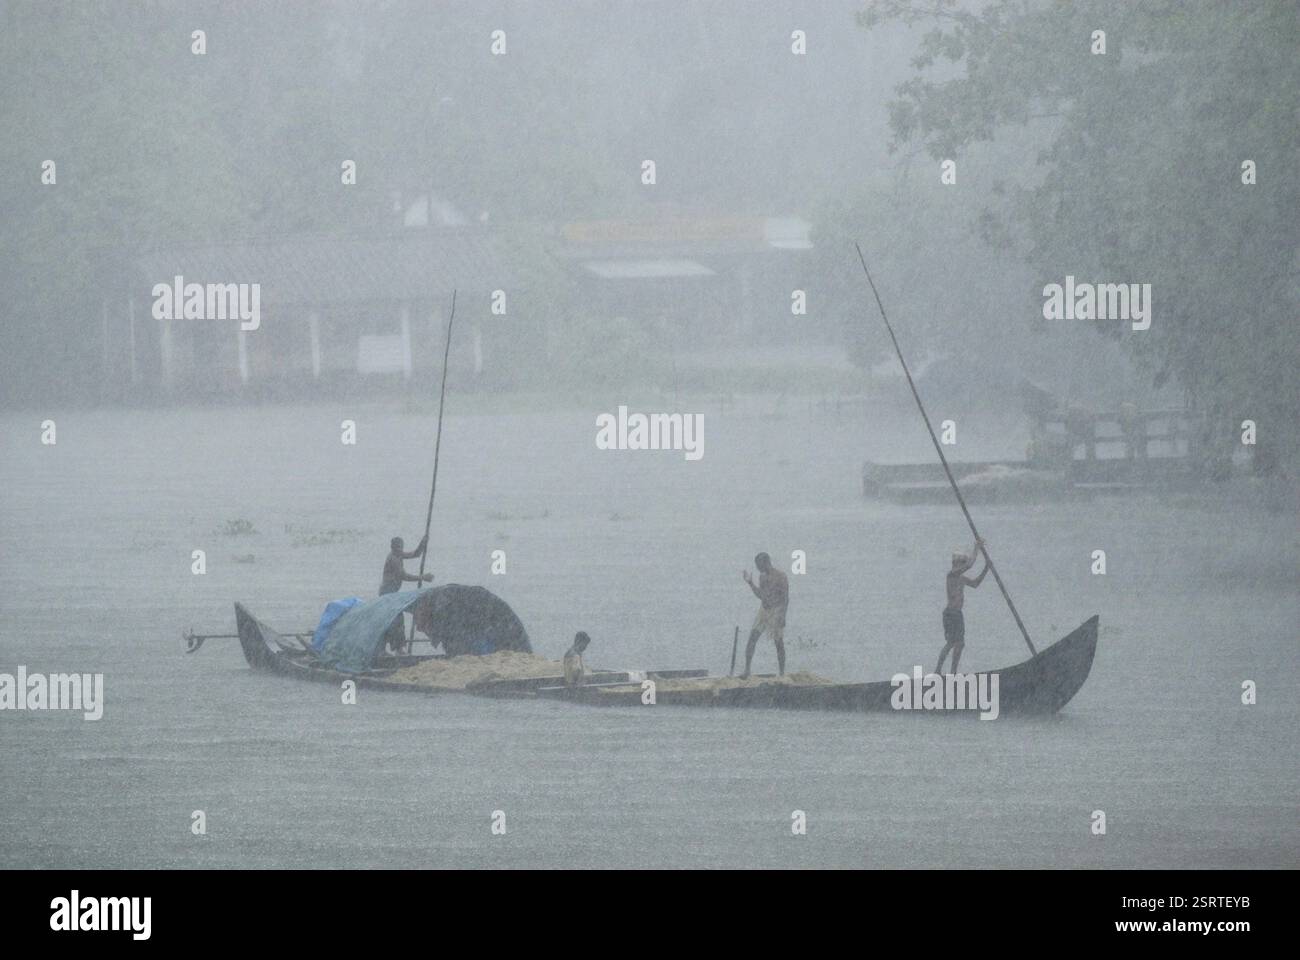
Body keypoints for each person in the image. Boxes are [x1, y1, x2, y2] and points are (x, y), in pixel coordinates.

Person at [936, 537, 988, 674]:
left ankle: (952, 671)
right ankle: (938, 670)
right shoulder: (952, 574)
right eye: (961, 563)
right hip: (951, 612)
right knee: (952, 643)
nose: (962, 566)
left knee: (959, 643)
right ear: (956, 564)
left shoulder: (962, 579)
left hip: (957, 613)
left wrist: (986, 569)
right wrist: (977, 547)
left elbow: (976, 584)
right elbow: (970, 565)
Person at [380, 534, 431, 654]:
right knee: (395, 620)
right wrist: (422, 577)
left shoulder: (399, 555)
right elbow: (403, 576)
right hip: (387, 594)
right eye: (397, 547)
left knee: (394, 620)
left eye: (400, 547)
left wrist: (422, 543)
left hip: (393, 594)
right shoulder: (393, 558)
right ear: (392, 547)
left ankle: (395, 648)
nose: (399, 550)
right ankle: (393, 649)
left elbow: (416, 554)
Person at [740, 552, 788, 679]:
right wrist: (750, 583)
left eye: (759, 565)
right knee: (752, 638)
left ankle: (782, 673)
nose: (757, 568)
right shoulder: (762, 577)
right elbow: (761, 595)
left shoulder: (781, 576)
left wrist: (782, 616)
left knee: (778, 643)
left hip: (776, 610)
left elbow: (785, 598)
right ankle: (747, 670)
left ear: (766, 562)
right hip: (764, 610)